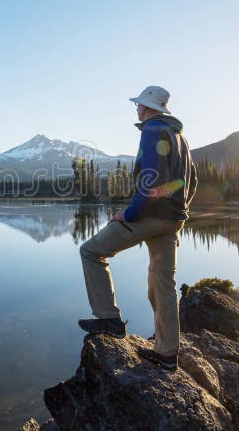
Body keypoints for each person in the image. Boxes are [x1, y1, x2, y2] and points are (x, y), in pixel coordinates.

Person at [78, 86, 197, 370]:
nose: (136, 109)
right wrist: (181, 210)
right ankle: (168, 353)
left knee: (91, 251)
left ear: (146, 107)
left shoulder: (153, 130)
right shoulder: (180, 136)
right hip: (173, 219)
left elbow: (152, 183)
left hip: (152, 215)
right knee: (162, 282)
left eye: (138, 105)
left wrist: (129, 213)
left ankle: (109, 318)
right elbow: (191, 181)